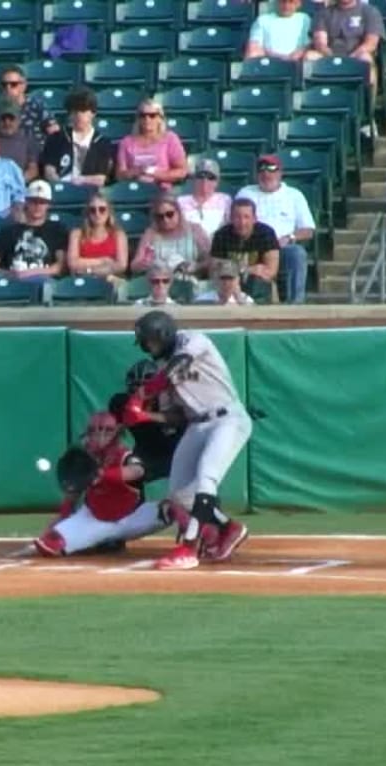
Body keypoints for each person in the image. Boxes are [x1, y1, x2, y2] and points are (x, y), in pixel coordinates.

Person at [124, 310, 252, 570]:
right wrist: (144, 416)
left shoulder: (193, 340)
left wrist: (143, 394)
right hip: (196, 424)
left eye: (150, 341)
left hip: (226, 419)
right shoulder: (161, 368)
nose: (148, 347)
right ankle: (229, 528)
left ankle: (188, 548)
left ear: (163, 334)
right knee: (180, 494)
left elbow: (177, 366)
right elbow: (175, 416)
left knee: (207, 478)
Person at [31, 412, 172, 558]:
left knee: (171, 510)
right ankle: (107, 540)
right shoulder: (84, 458)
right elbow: (73, 492)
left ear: (116, 432)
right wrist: (62, 516)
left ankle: (191, 543)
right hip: (95, 517)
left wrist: (102, 474)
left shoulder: (124, 455)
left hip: (132, 517)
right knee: (52, 543)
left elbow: (137, 471)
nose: (99, 435)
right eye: (94, 430)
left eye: (107, 430)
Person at [237, 154, 316, 304]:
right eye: (262, 169)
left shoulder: (294, 195)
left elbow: (308, 230)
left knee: (297, 253)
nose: (266, 173)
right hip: (253, 246)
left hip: (282, 247)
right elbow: (236, 221)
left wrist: (290, 237)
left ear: (280, 172)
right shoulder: (246, 193)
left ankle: (295, 304)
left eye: (271, 169)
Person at [0, 179, 66, 282]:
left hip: (43, 279)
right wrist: (8, 274)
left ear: (49, 205)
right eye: (33, 201)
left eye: (42, 202)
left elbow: (61, 267)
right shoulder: (10, 231)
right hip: (13, 279)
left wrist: (31, 273)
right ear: (26, 202)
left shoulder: (56, 229)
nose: (37, 206)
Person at [38, 88, 118, 187]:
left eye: (83, 111)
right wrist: (60, 185)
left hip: (89, 192)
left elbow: (100, 179)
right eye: (74, 111)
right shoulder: (56, 138)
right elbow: (49, 171)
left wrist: (79, 180)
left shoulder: (102, 142)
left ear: (93, 113)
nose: (78, 115)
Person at [116, 100, 188, 188]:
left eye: (152, 115)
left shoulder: (170, 139)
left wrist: (157, 175)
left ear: (159, 118)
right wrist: (137, 171)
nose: (147, 119)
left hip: (162, 189)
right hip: (135, 188)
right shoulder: (126, 142)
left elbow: (182, 171)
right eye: (143, 116)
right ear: (138, 119)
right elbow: (120, 175)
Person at [67, 193, 128, 279]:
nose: (97, 213)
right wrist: (104, 261)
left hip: (111, 280)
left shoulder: (118, 235)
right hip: (84, 281)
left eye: (102, 209)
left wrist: (89, 270)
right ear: (88, 213)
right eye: (92, 210)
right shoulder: (77, 234)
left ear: (108, 212)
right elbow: (73, 263)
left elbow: (121, 266)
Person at [177, 157, 233, 238]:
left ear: (217, 182)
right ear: (194, 179)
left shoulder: (225, 200)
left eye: (210, 177)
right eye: (200, 176)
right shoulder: (180, 202)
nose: (204, 181)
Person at [246, 0, 312, 61]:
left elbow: (308, 44)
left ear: (298, 4)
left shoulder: (304, 19)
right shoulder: (263, 20)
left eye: (291, 2)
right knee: (252, 54)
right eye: (283, 2)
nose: (286, 6)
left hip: (297, 60)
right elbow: (254, 45)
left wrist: (297, 54)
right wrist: (275, 56)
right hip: (268, 59)